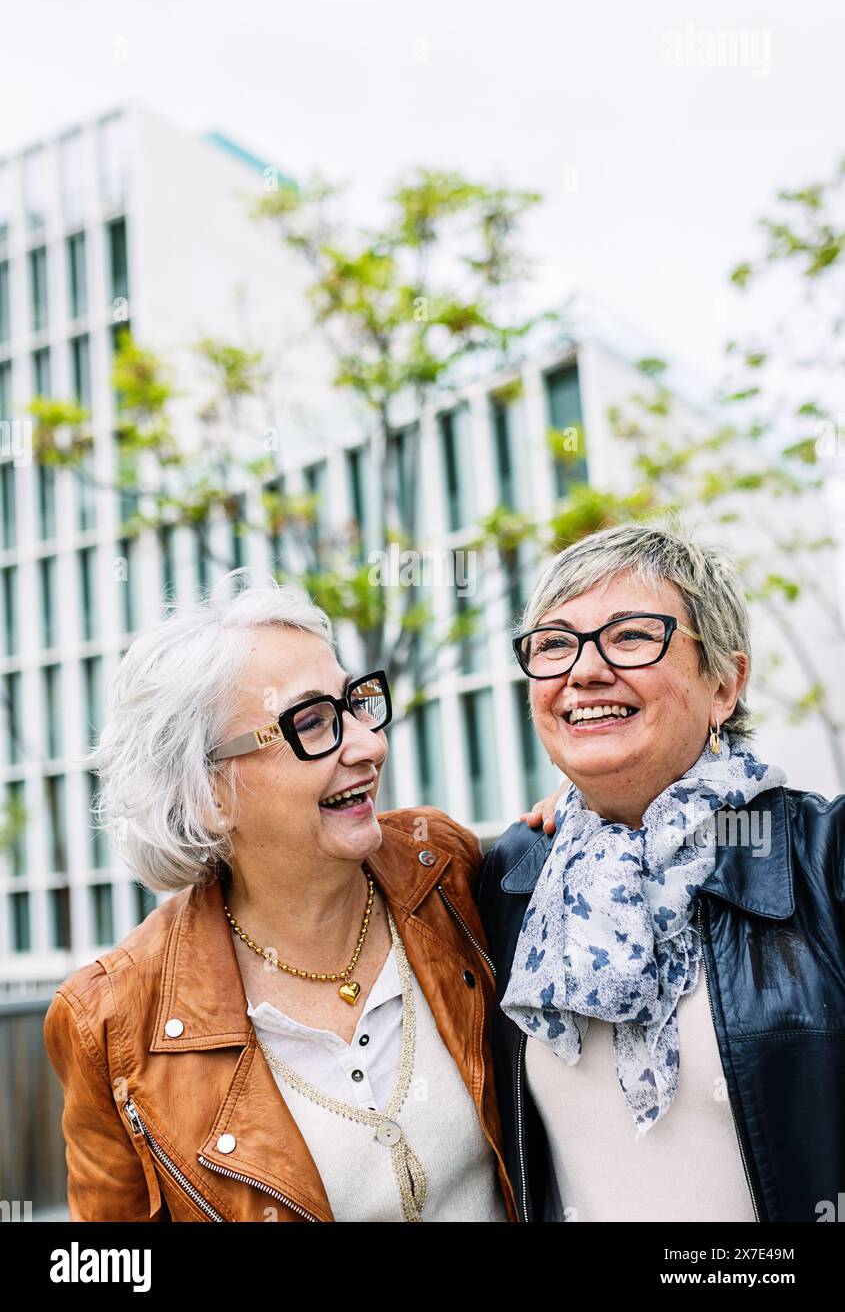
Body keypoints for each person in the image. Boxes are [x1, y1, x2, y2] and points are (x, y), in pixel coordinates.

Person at [44, 576, 553, 1223]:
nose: (369, 746)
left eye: (355, 705)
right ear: (207, 795)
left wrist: (588, 815)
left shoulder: (444, 871)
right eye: (312, 723)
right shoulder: (112, 1022)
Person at [478, 519, 845, 1224]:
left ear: (724, 685)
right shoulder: (512, 879)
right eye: (553, 644)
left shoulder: (823, 861)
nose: (583, 670)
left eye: (630, 636)